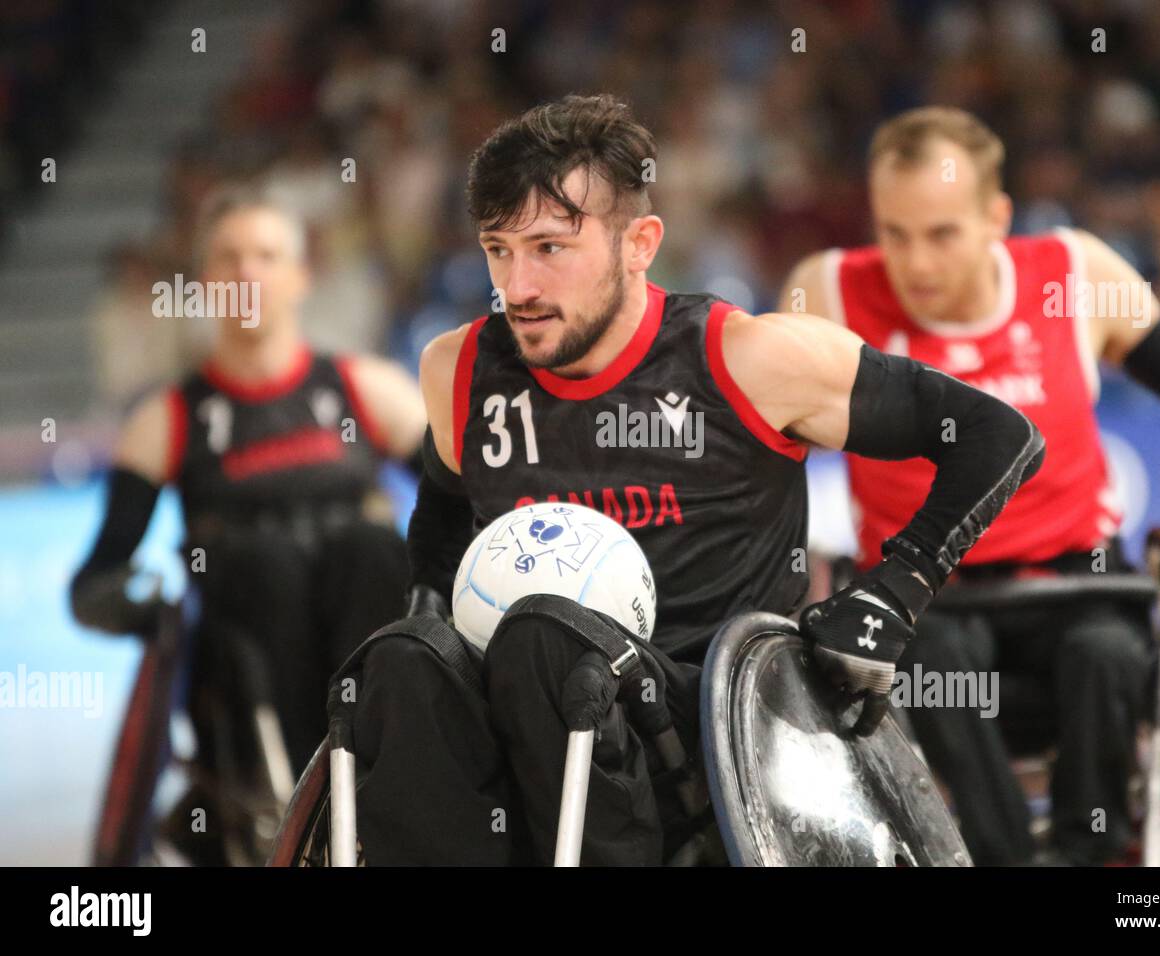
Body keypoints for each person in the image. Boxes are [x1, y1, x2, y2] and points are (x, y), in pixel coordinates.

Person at [352, 93, 1045, 866]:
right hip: (525, 714)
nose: (518, 287)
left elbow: (998, 433)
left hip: (714, 722)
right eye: (498, 249)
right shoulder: (459, 369)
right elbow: (444, 519)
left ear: (639, 242)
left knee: (545, 638)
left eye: (551, 248)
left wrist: (893, 593)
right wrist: (425, 614)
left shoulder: (747, 358)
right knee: (400, 659)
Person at [778, 106, 1160, 865]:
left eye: (942, 233)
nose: (917, 262)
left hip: (1078, 585)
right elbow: (767, 434)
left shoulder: (1076, 273)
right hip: (929, 596)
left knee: (1103, 652)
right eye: (894, 233)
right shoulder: (830, 292)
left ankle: (1085, 855)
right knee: (936, 654)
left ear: (997, 216)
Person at [70, 187, 428, 796]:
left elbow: (470, 509)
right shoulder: (166, 420)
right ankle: (299, 799)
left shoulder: (369, 389)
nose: (247, 272)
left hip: (362, 610)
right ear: (206, 280)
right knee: (268, 565)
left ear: (300, 276)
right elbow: (95, 579)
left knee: (368, 548)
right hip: (243, 653)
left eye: (266, 255)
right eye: (229, 258)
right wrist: (138, 608)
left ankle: (387, 782)